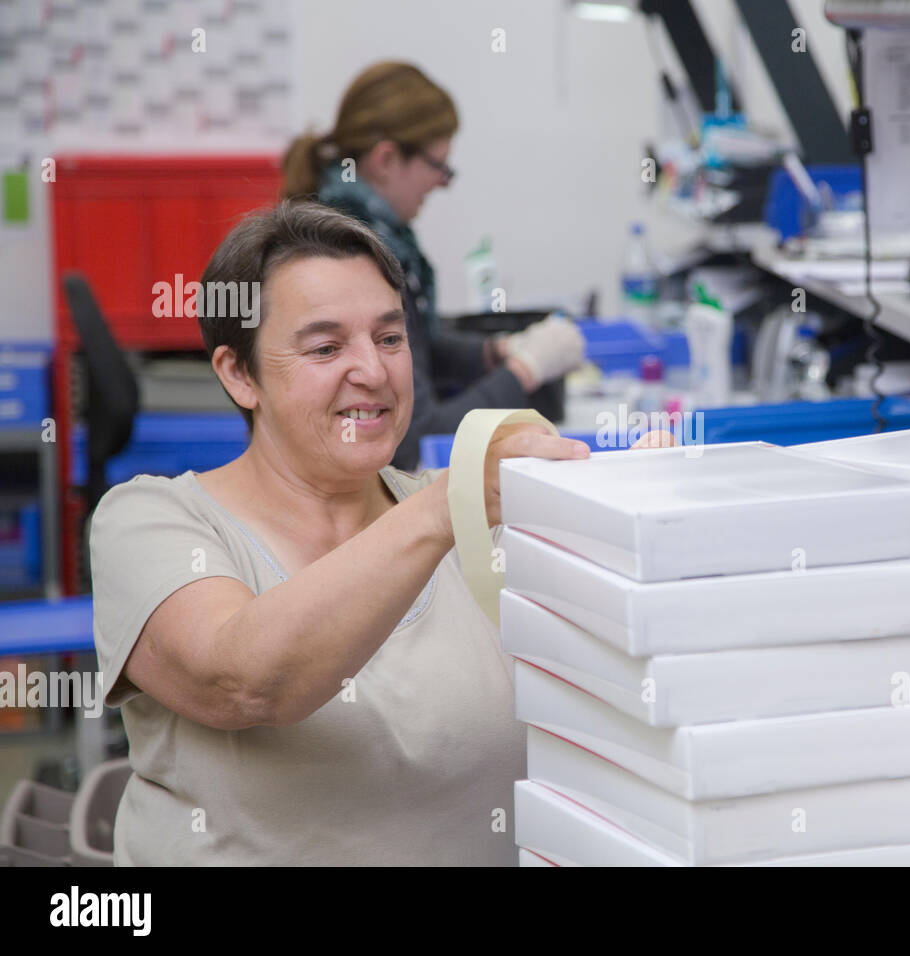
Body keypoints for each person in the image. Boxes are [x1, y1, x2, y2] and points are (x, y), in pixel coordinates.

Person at [89, 201, 597, 865]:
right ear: (240, 374)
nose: (375, 372)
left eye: (390, 338)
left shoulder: (477, 522)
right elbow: (241, 680)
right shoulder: (151, 520)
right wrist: (451, 505)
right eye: (326, 348)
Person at [280, 61, 584, 471]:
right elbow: (419, 436)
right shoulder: (356, 256)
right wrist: (524, 372)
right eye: (438, 165)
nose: (442, 182)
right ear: (387, 159)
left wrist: (493, 353)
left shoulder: (351, 226)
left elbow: (413, 345)